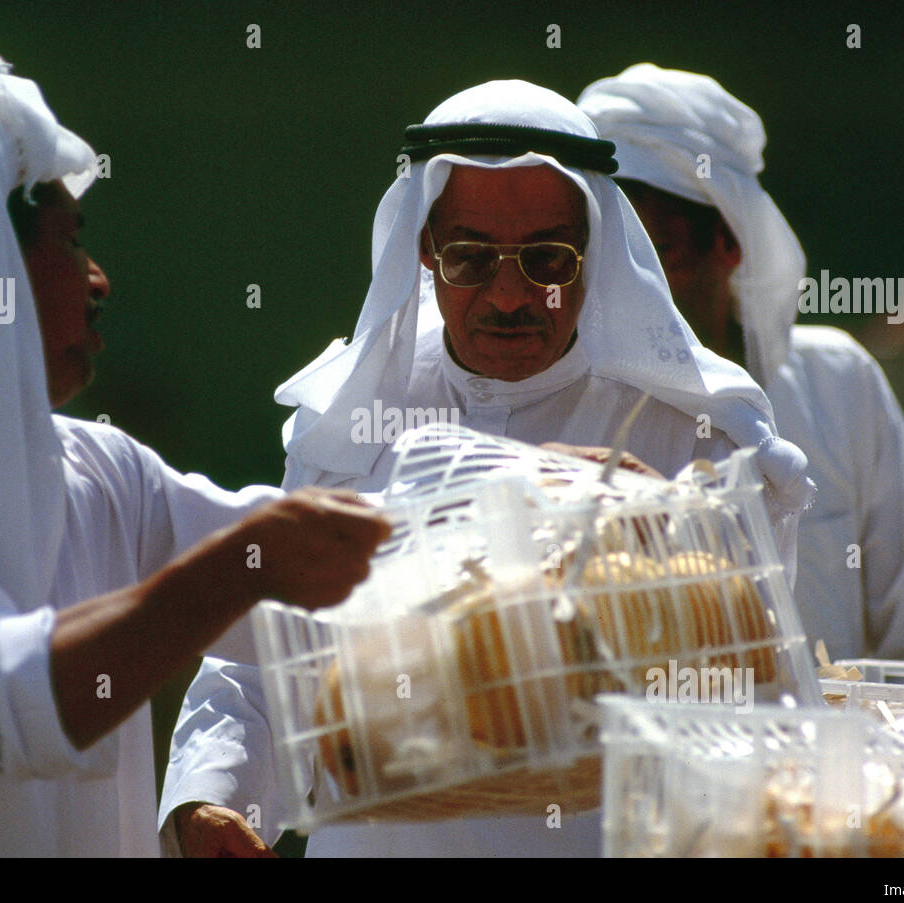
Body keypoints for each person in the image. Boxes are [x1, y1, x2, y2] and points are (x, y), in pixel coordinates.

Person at [0, 34, 388, 857]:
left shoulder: (100, 468)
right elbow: (3, 701)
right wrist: (237, 565)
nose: (99, 280)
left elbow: (313, 601)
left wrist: (547, 517)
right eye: (70, 238)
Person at [160, 79, 815, 857]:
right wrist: (205, 797)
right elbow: (265, 652)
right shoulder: (351, 413)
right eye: (471, 259)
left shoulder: (691, 426)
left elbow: (747, 683)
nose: (509, 294)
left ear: (592, 253)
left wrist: (668, 531)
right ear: (426, 252)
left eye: (546, 258)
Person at [577, 63, 904, 663]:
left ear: (729, 241)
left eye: (655, 252)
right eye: (606, 251)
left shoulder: (839, 385)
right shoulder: (559, 398)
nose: (627, 281)